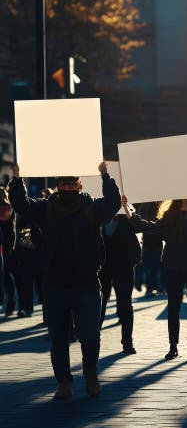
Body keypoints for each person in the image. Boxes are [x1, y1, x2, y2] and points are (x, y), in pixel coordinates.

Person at [9, 162, 121, 399]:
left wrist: (105, 174)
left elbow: (113, 202)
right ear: (58, 186)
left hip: (87, 283)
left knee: (90, 335)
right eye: (63, 184)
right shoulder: (47, 208)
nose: (68, 188)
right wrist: (17, 179)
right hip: (55, 284)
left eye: (72, 184)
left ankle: (90, 373)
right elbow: (21, 204)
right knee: (58, 338)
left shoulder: (91, 208)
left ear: (79, 185)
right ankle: (64, 382)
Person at [123, 187, 187, 360]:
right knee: (173, 307)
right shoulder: (170, 214)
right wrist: (128, 209)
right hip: (174, 266)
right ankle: (173, 346)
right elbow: (148, 226)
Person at [99, 212, 141, 354]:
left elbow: (137, 231)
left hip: (123, 267)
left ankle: (127, 342)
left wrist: (134, 260)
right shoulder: (99, 217)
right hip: (102, 267)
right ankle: (94, 338)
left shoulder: (127, 218)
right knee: (99, 302)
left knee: (125, 304)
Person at [0, 189, 17, 316]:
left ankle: (9, 301)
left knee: (5, 274)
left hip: (3, 245)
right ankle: (11, 302)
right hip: (8, 244)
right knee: (7, 274)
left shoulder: (5, 208)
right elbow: (12, 228)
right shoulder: (9, 207)